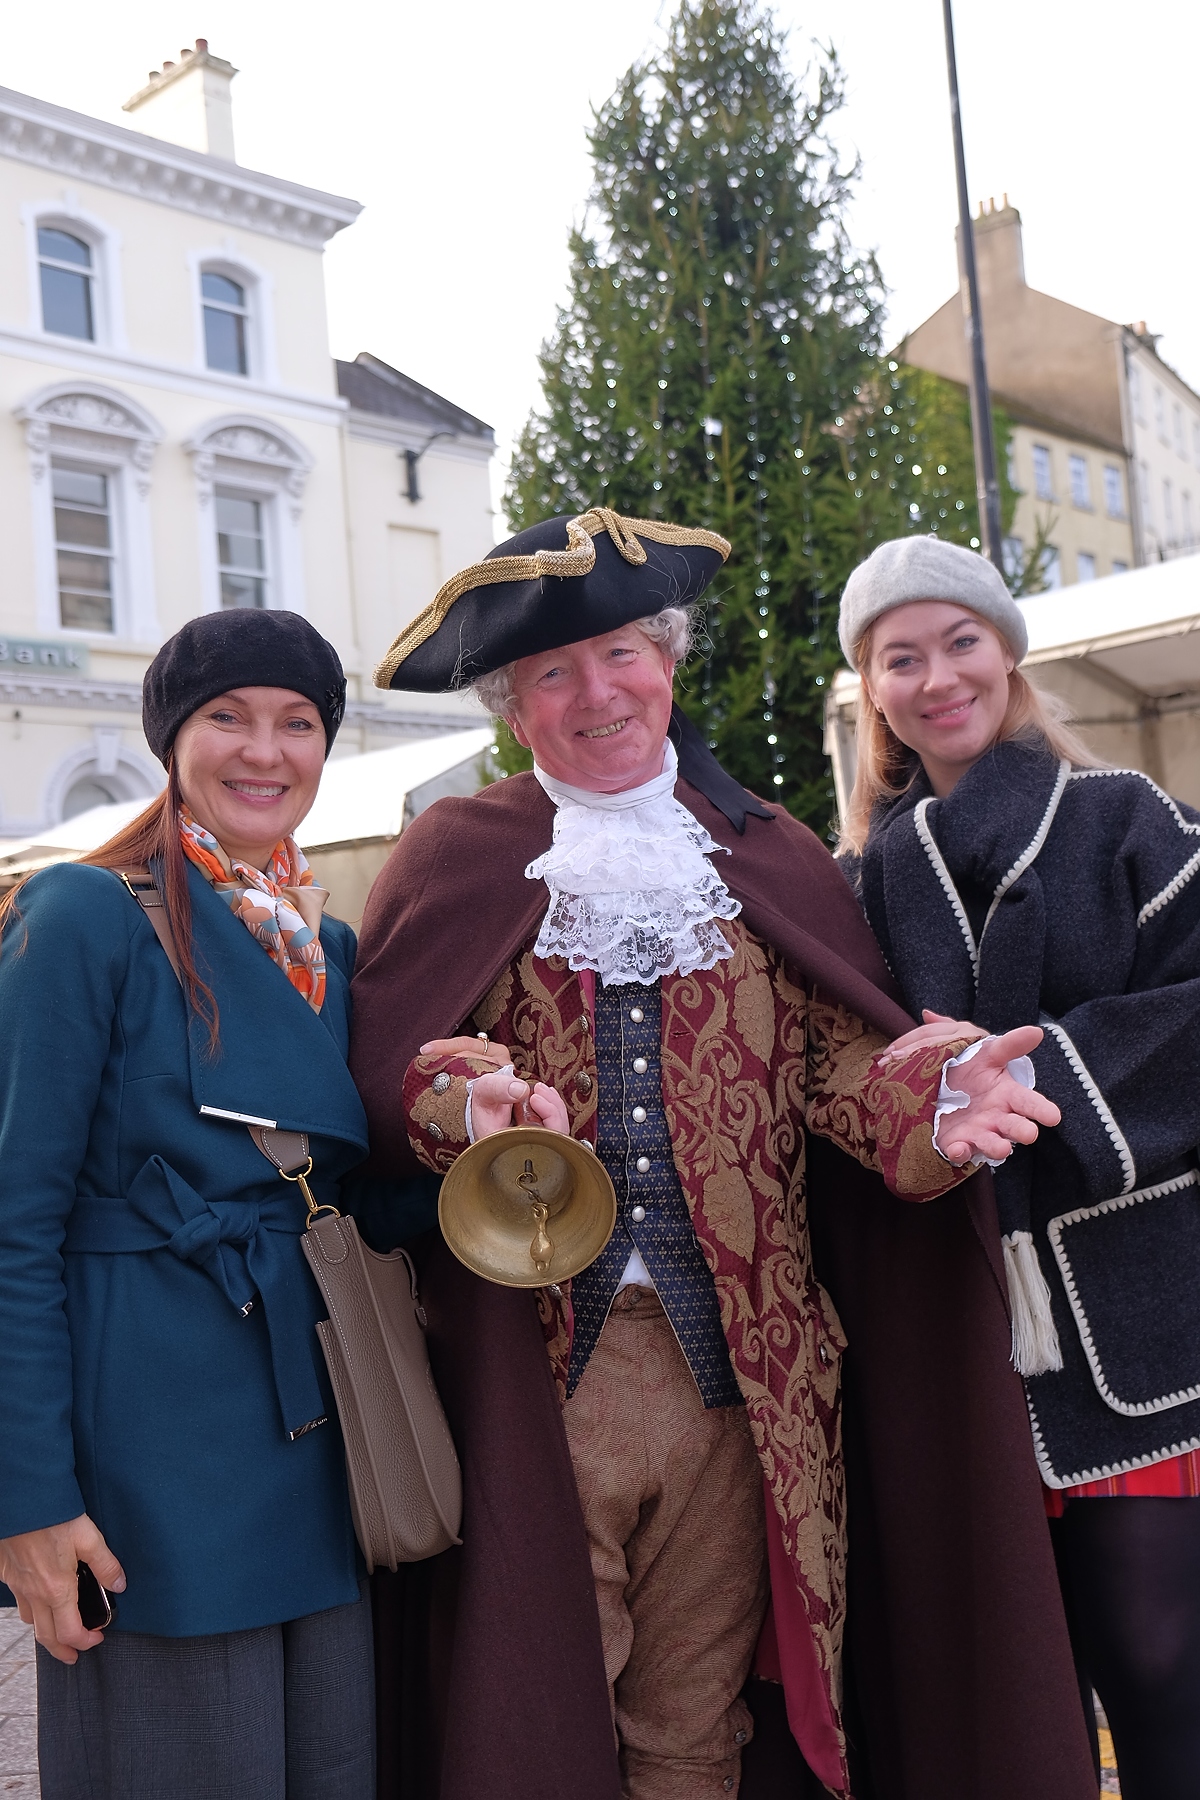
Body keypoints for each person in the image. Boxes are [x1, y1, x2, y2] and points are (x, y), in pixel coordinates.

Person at [349, 509, 1094, 1800]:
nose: (599, 693)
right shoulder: (453, 854)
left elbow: (833, 1069)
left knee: (696, 1724)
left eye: (624, 655)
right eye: (554, 675)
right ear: (513, 707)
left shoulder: (768, 852)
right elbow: (392, 1069)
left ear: (671, 662)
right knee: (540, 1710)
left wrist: (931, 1112)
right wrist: (464, 1104)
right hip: (534, 1381)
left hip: (743, 1381)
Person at [838, 532, 1200, 1800]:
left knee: (1161, 1661)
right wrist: (927, 1098)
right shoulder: (858, 887)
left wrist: (1038, 1078)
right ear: (870, 690)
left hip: (1143, 1314)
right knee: (1020, 1693)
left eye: (962, 642)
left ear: (1008, 652)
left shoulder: (1129, 820)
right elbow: (836, 1084)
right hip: (962, 1334)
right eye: (901, 658)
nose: (938, 678)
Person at [0, 609, 377, 1800]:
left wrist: (480, 1145)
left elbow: (340, 1206)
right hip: (149, 1465)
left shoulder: (330, 950)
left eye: (298, 723)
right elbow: (12, 1229)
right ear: (172, 741)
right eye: (228, 718)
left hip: (315, 1442)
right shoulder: (83, 917)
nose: (264, 751)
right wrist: (29, 1505)